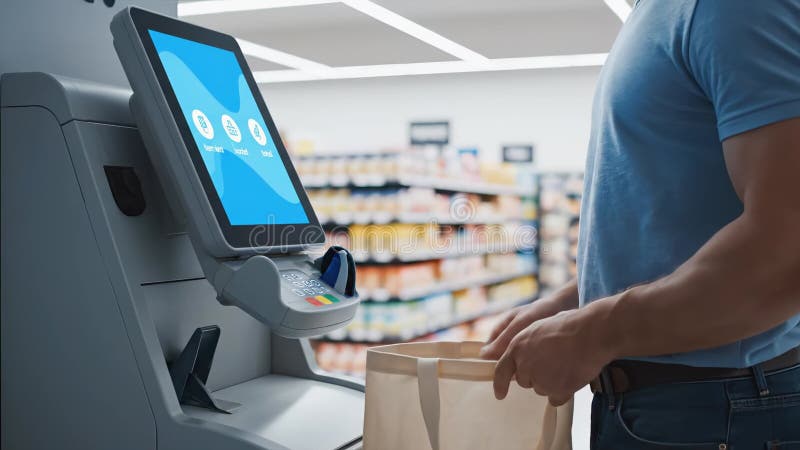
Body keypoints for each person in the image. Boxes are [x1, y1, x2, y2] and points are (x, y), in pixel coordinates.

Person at [481, 0, 800, 448]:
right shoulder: (655, 13)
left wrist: (598, 330)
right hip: (669, 406)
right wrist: (574, 303)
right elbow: (668, 225)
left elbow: (787, 246)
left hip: (718, 410)